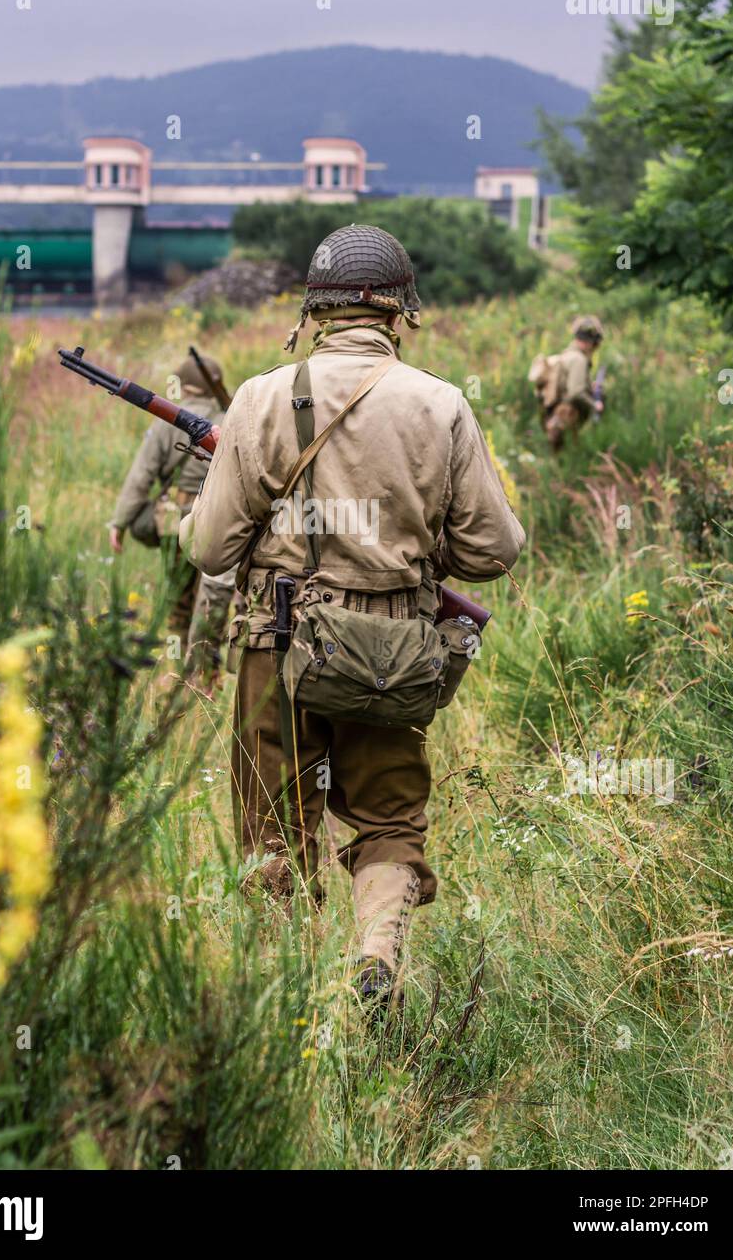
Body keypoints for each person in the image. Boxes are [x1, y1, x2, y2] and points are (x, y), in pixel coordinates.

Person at [180, 224, 525, 1005]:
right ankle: (377, 957)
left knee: (275, 823)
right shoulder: (441, 404)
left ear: (315, 311)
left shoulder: (261, 397)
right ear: (402, 309)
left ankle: (284, 1003)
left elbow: (208, 549)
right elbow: (493, 552)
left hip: (278, 648)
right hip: (394, 653)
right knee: (390, 820)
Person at [109, 352, 234, 688]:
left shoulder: (168, 423)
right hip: (221, 523)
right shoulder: (231, 418)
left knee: (179, 600)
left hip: (176, 525)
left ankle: (180, 671)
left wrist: (118, 522)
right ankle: (206, 672)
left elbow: (142, 475)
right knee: (210, 599)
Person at [530, 315, 604, 452]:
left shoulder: (567, 354)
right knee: (568, 457)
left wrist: (589, 386)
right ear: (591, 342)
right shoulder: (579, 360)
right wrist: (595, 405)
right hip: (567, 418)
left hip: (557, 417)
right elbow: (575, 393)